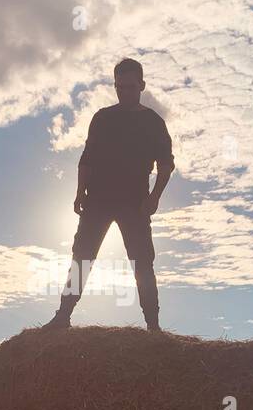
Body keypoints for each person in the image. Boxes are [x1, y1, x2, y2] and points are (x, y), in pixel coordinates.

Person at [44, 57, 175, 331]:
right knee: (82, 257)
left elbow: (165, 164)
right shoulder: (102, 118)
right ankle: (62, 316)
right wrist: (80, 192)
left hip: (135, 203)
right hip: (98, 200)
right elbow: (87, 158)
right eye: (119, 87)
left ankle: (153, 326)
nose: (124, 91)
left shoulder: (153, 122)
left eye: (129, 86)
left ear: (141, 85)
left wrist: (155, 196)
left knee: (142, 263)